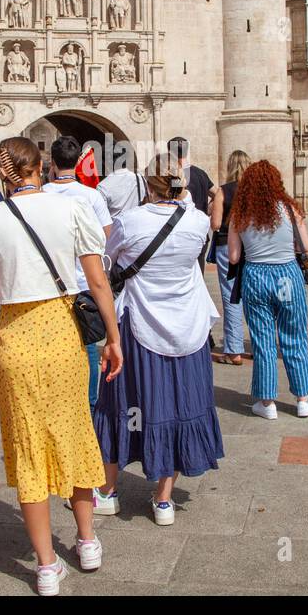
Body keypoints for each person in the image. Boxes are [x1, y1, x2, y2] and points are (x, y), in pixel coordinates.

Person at [0, 137, 121, 596]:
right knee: (73, 429)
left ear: (2, 171)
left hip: (14, 334)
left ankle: (46, 566)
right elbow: (97, 280)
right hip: (63, 333)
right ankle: (87, 540)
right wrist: (112, 336)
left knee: (28, 441)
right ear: (41, 166)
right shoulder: (71, 210)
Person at [92, 155, 223, 526]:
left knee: (123, 405)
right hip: (189, 327)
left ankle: (108, 491)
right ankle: (163, 500)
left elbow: (108, 261)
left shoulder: (130, 221)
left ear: (147, 184)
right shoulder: (196, 222)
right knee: (180, 405)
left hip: (139, 324)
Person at [229, 160, 308, 419]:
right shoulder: (290, 209)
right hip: (287, 275)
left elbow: (233, 257)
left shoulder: (239, 215)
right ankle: (302, 399)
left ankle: (267, 403)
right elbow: (305, 246)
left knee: (262, 340)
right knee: (294, 336)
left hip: (255, 276)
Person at [44, 136, 113, 407]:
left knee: (53, 345)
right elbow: (107, 234)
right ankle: (90, 401)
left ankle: (58, 399)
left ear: (52, 162)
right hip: (84, 279)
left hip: (50, 281)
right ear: (78, 162)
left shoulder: (41, 194)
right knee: (89, 344)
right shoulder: (91, 195)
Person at [209, 149, 250, 365]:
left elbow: (215, 224)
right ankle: (258, 345)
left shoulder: (224, 191)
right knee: (253, 296)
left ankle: (233, 350)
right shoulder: (255, 191)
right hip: (252, 246)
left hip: (227, 246)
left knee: (231, 296)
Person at [168, 136, 215, 214]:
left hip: (185, 222)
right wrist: (207, 211)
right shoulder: (201, 173)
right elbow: (217, 194)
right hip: (201, 221)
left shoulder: (176, 176)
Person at [97, 149, 147, 218]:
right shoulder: (140, 178)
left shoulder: (103, 186)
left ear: (106, 163)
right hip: (139, 224)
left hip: (116, 227)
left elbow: (102, 217)